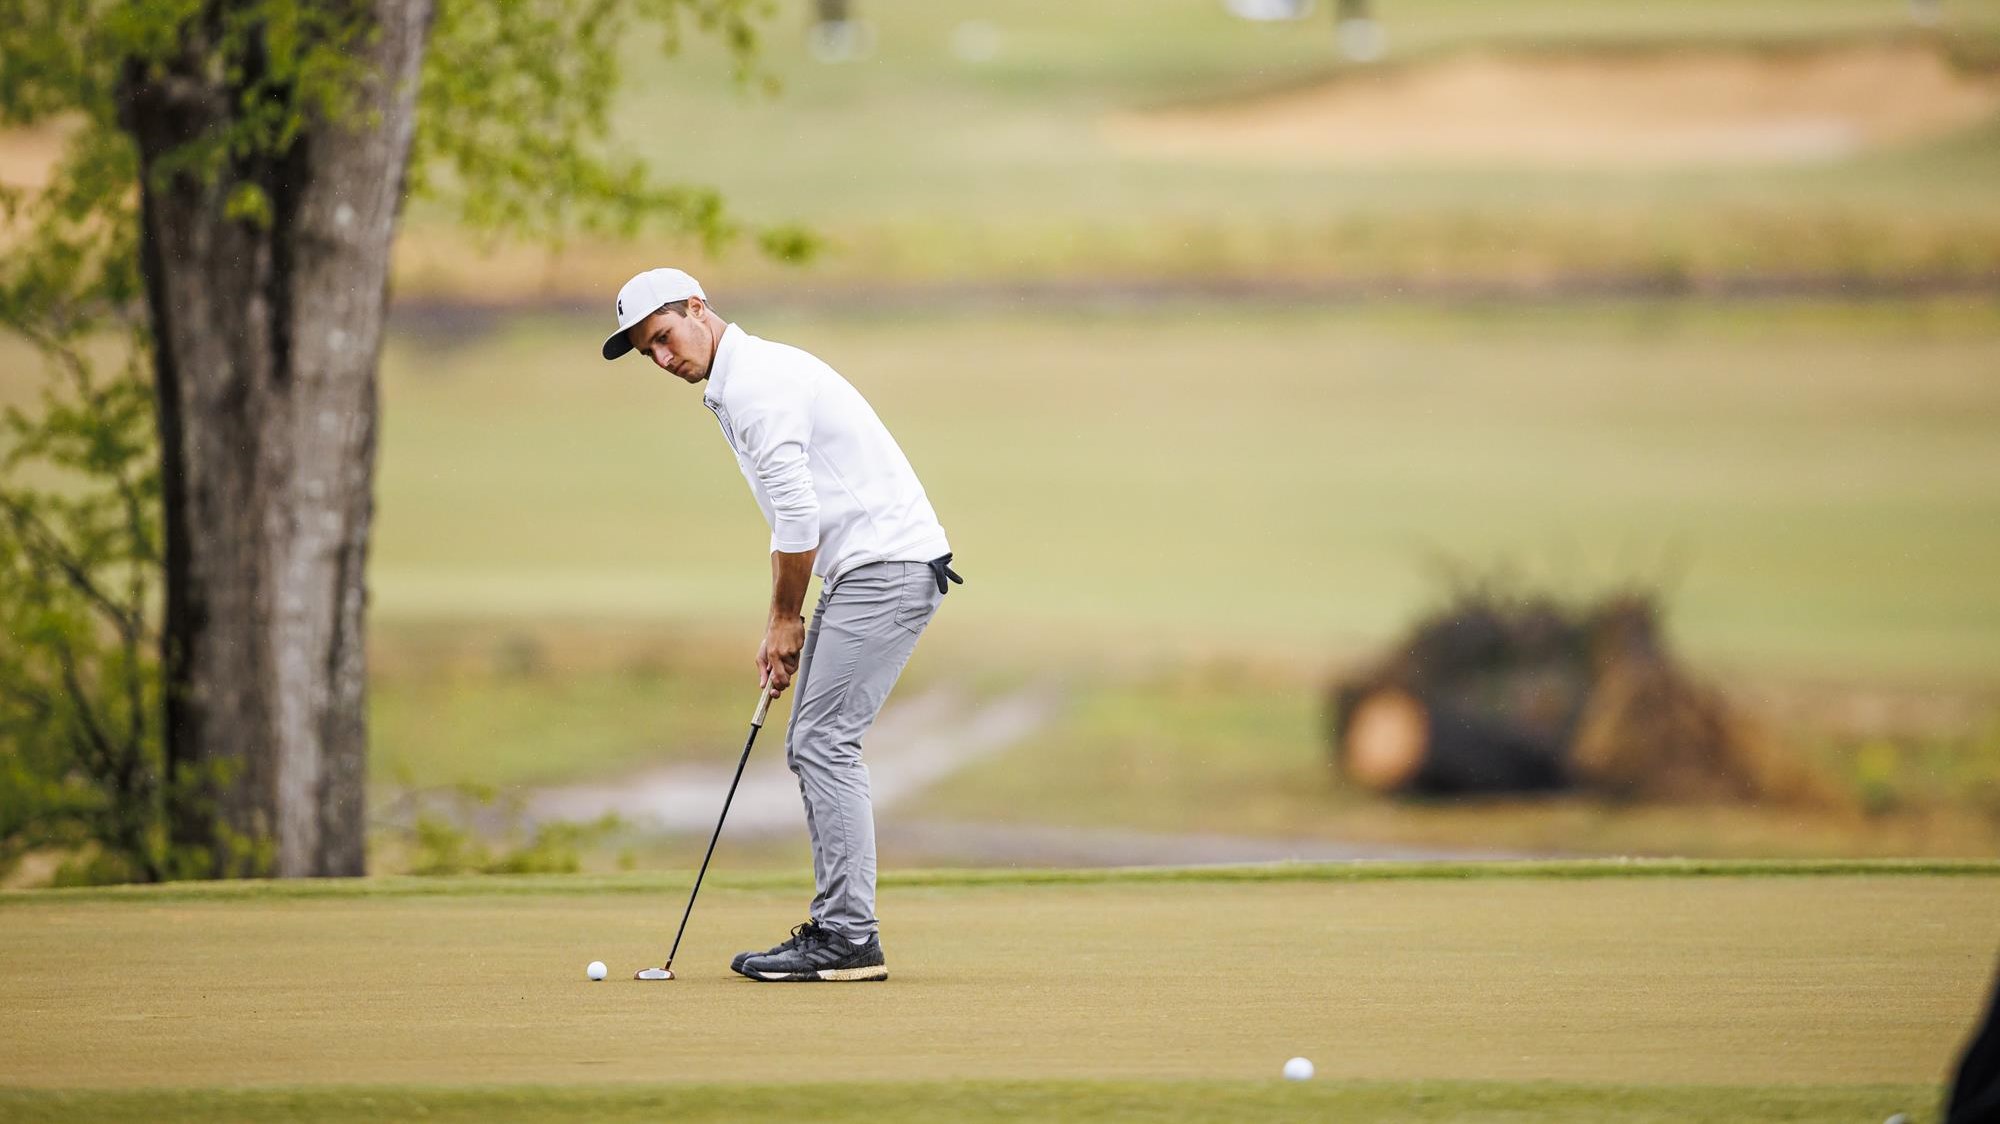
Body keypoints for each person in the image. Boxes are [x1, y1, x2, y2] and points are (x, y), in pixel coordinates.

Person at [601, 268, 960, 982]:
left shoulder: (758, 384)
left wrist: (783, 621)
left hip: (884, 568)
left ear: (698, 309)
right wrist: (790, 623)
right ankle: (842, 931)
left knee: (824, 743)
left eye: (666, 337)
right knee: (812, 741)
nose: (664, 359)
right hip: (868, 569)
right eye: (650, 352)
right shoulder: (740, 383)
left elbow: (799, 520)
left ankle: (849, 937)